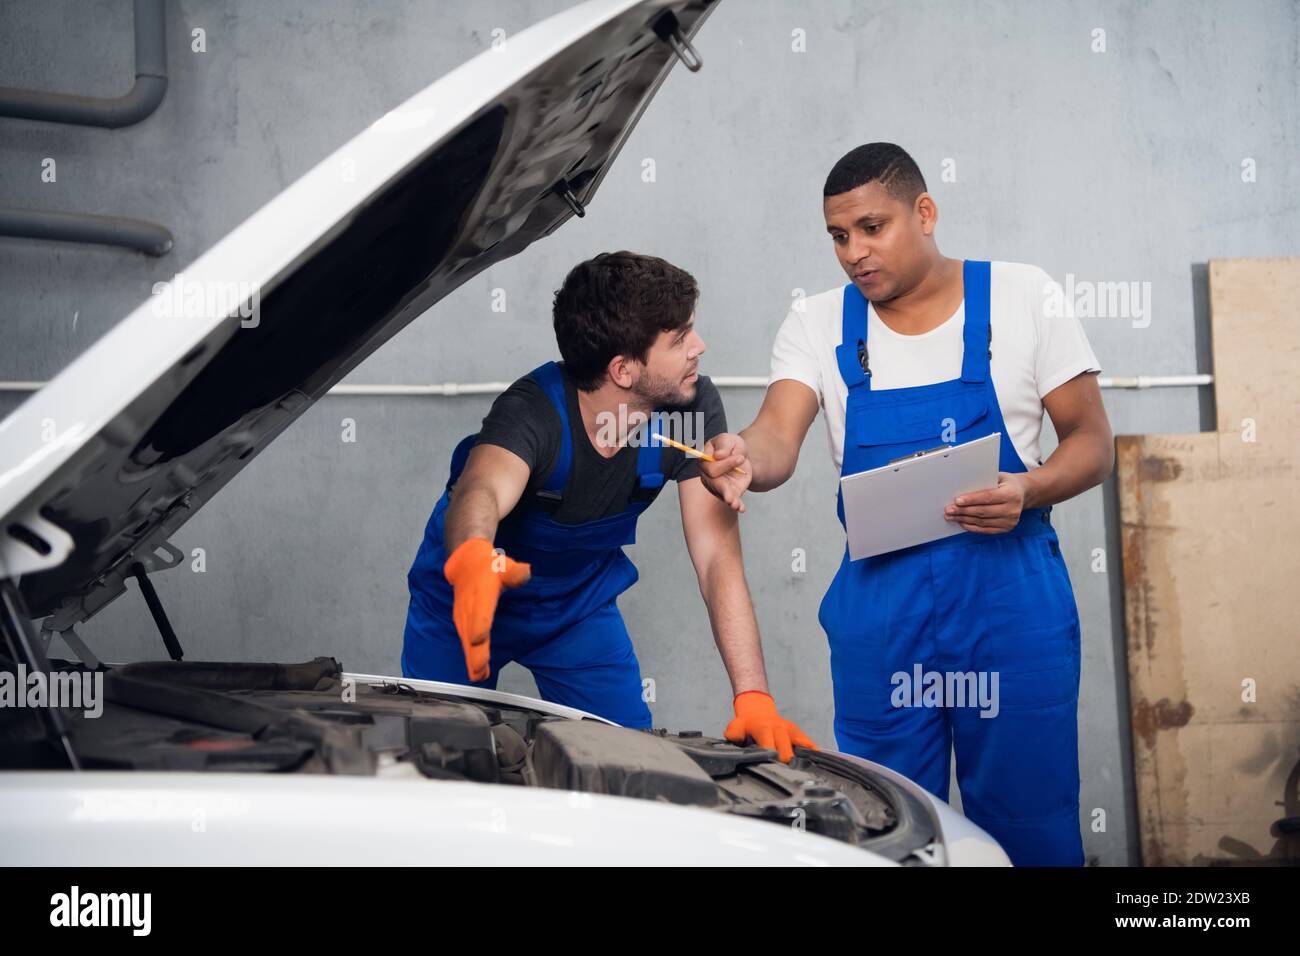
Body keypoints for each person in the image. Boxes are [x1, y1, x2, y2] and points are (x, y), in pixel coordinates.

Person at [698, 144, 1113, 863]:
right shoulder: (817, 325)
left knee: (1030, 820)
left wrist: (1029, 488)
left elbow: (1092, 441)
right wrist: (741, 458)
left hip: (1011, 608)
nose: (853, 252)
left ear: (925, 212)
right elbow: (776, 436)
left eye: (871, 227)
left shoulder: (1022, 296)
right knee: (885, 826)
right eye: (837, 236)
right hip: (882, 618)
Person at [402, 251, 816, 762]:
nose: (700, 346)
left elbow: (715, 559)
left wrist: (753, 696)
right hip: (466, 604)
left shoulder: (686, 411)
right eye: (680, 338)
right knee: (444, 761)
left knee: (628, 763)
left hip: (577, 609)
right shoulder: (533, 411)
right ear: (622, 368)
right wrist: (470, 557)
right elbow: (481, 489)